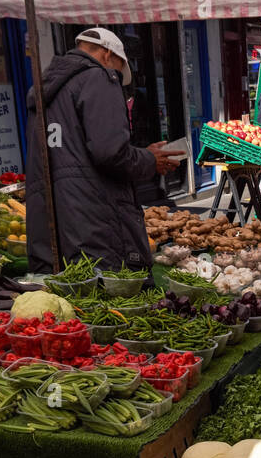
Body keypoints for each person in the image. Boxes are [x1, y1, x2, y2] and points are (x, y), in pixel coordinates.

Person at [26, 27, 182, 273]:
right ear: (108, 55)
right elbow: (110, 153)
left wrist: (142, 153)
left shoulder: (47, 86)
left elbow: (80, 149)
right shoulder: (98, 77)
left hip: (54, 219)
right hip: (94, 220)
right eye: (119, 70)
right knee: (110, 296)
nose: (118, 78)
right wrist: (150, 160)